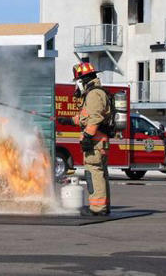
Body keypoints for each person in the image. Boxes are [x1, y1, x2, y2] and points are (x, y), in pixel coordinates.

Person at [57, 62, 111, 216]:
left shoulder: (94, 94)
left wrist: (87, 136)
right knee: (100, 173)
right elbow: (86, 117)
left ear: (82, 80)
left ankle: (97, 208)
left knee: (94, 172)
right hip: (99, 141)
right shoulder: (94, 93)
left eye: (78, 81)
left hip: (95, 142)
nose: (76, 85)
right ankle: (103, 206)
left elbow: (95, 118)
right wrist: (68, 120)